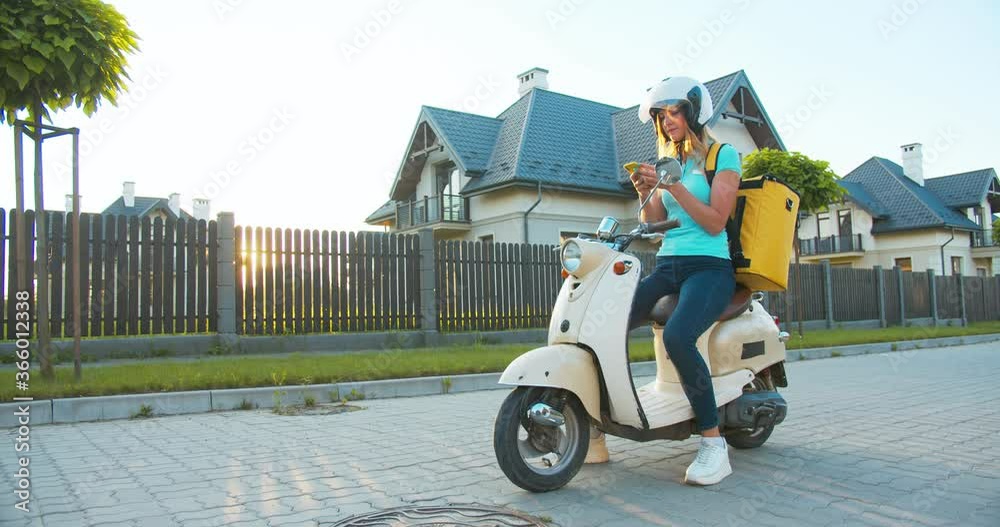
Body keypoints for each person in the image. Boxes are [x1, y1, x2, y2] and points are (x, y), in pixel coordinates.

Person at [627, 76, 741, 486]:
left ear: (694, 112)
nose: (667, 121)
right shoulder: (667, 161)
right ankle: (594, 421)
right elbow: (655, 225)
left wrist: (673, 183)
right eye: (660, 115)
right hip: (668, 265)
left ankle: (713, 445)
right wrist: (647, 191)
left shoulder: (722, 156)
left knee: (677, 337)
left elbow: (714, 223)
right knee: (610, 323)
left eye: (674, 112)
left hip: (710, 267)